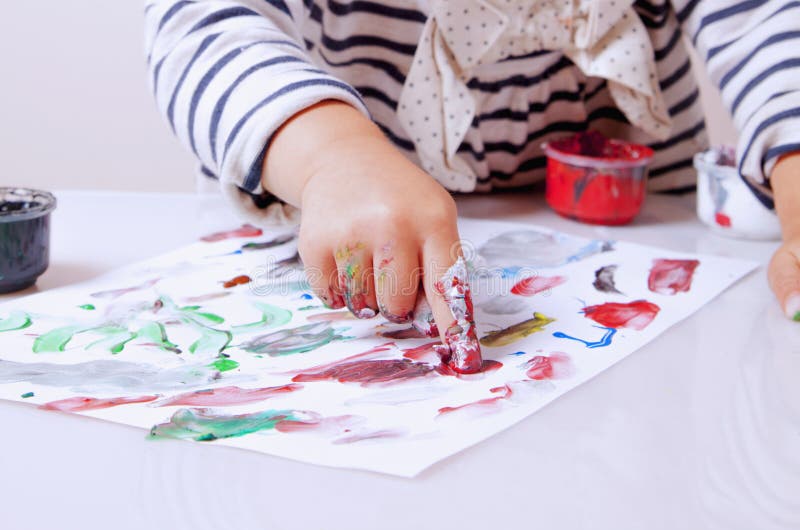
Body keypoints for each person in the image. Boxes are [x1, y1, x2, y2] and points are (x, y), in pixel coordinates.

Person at [144, 0, 800, 344]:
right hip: (330, 254)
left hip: (637, 248)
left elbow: (768, 21)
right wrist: (330, 159)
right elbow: (204, 26)